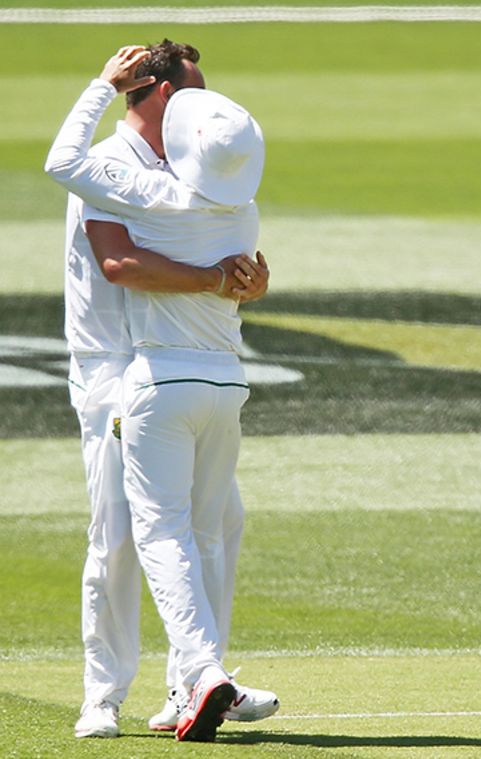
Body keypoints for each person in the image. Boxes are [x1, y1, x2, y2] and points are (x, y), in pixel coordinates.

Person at [46, 45, 275, 741]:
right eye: (188, 96)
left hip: (167, 364)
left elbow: (224, 259)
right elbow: (122, 265)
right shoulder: (112, 169)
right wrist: (214, 280)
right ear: (145, 95)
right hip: (112, 364)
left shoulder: (192, 167)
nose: (203, 113)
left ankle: (196, 684)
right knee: (117, 531)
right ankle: (103, 694)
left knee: (218, 520)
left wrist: (249, 283)